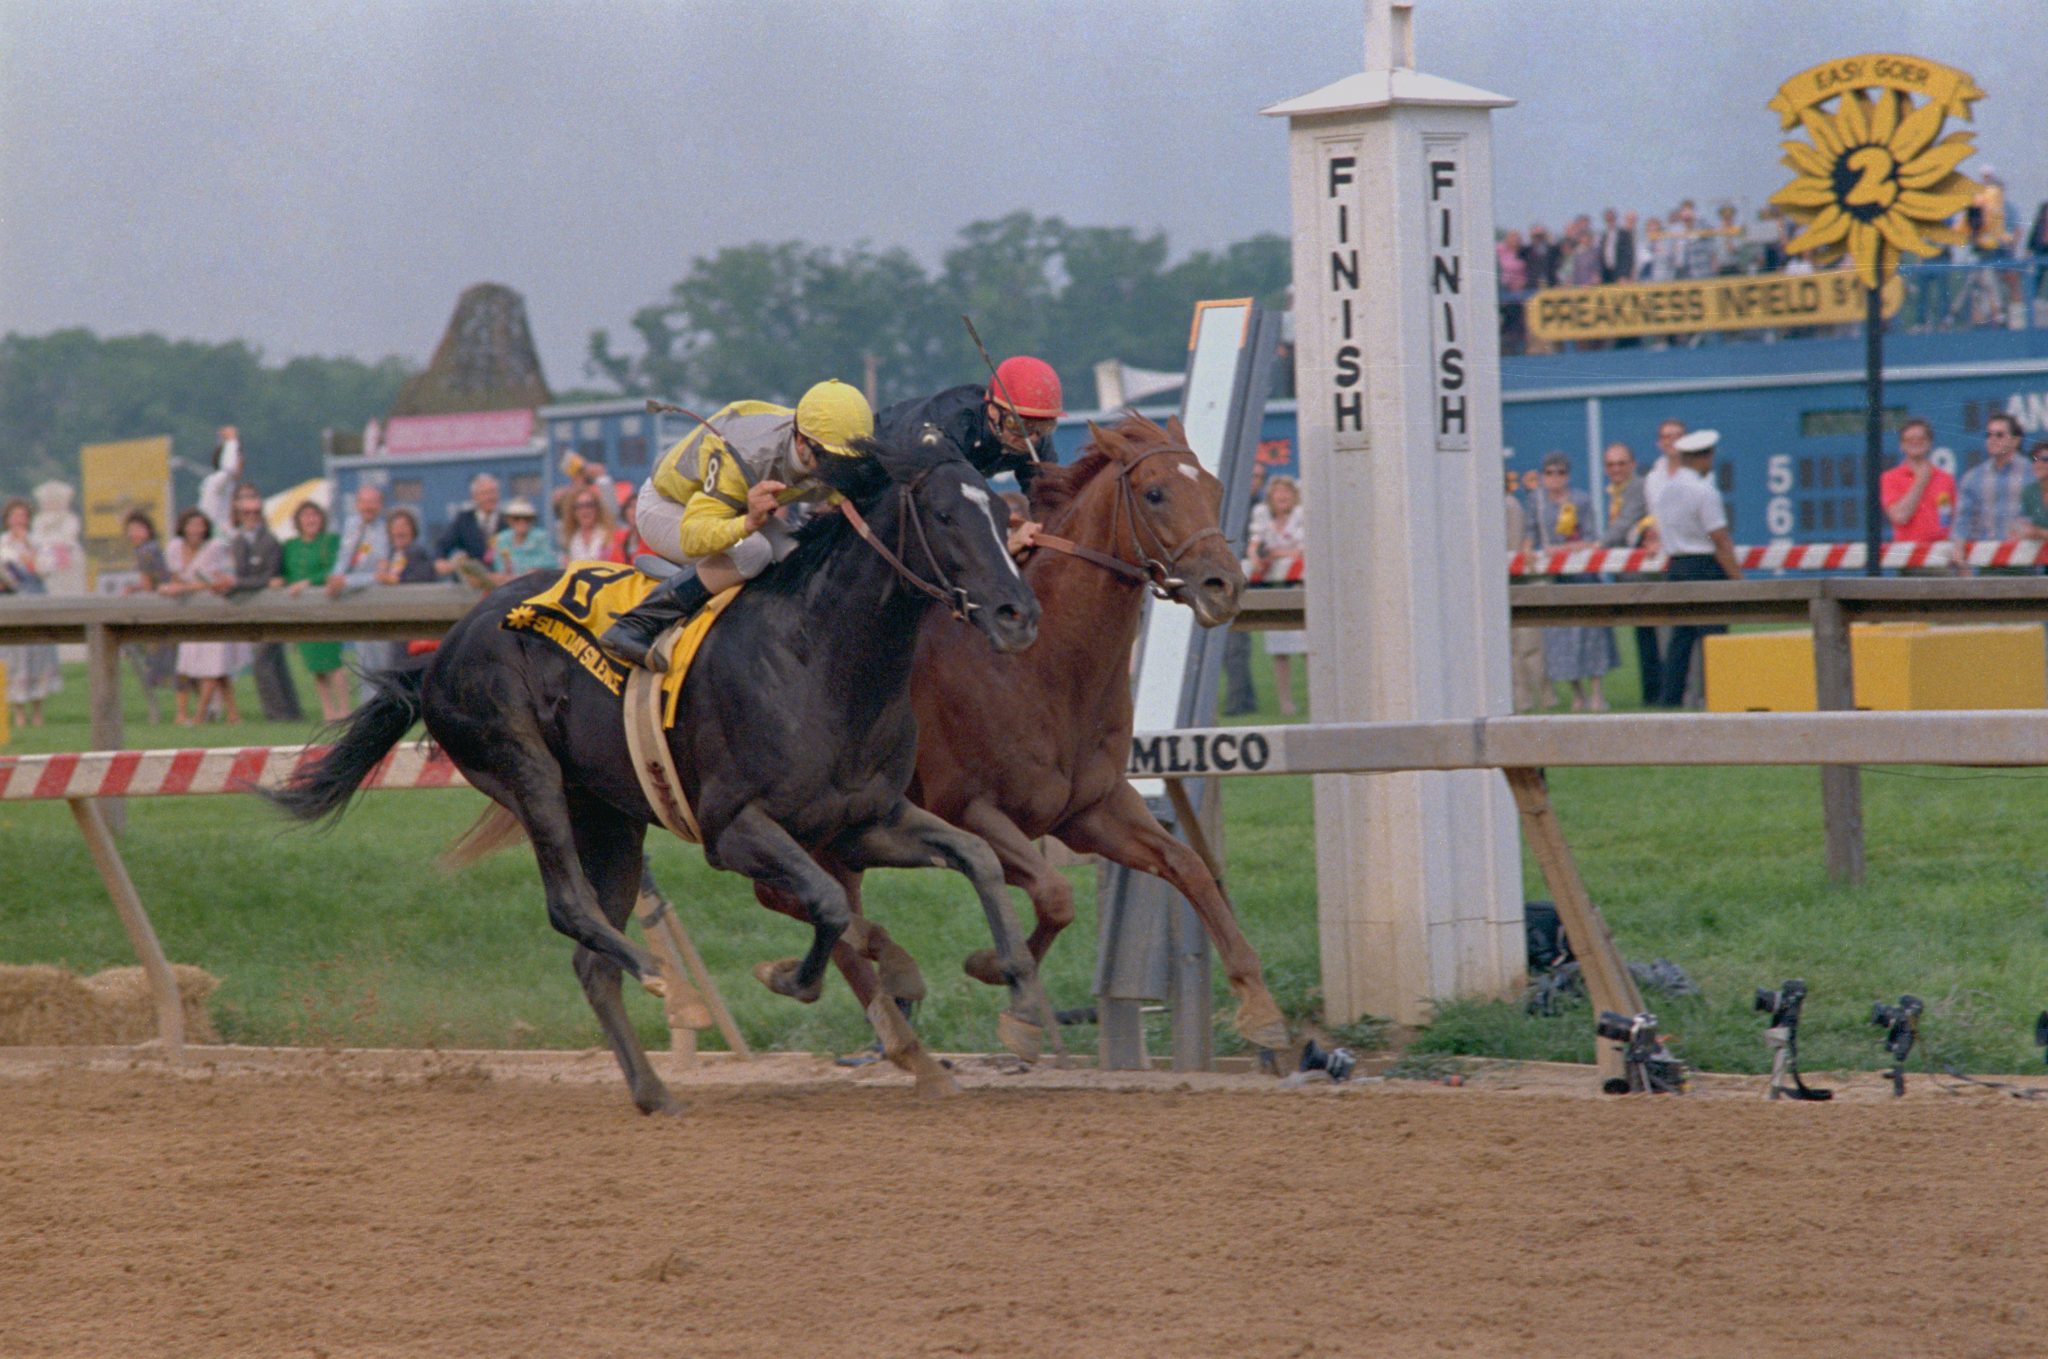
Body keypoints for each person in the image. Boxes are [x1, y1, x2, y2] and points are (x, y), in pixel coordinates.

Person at [599, 379, 876, 671]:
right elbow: (694, 534)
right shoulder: (747, 453)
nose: (834, 469)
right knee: (753, 551)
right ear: (800, 440)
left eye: (844, 461)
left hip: (737, 508)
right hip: (669, 508)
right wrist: (748, 523)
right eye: (827, 457)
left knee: (800, 553)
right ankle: (637, 623)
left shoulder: (821, 440)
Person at [872, 355, 1065, 495]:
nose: (1031, 438)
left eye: (1044, 427)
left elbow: (1050, 501)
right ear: (993, 411)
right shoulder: (952, 427)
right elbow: (953, 502)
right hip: (880, 454)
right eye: (1018, 425)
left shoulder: (1036, 440)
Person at [1655, 430, 1744, 708]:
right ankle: (1716, 696)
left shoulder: (1667, 489)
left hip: (1677, 565)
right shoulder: (1704, 491)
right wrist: (1739, 580)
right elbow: (1719, 538)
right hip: (1703, 566)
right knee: (1713, 636)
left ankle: (1671, 698)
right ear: (1705, 456)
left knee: (1680, 639)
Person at [1525, 452, 1617, 712]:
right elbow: (1530, 533)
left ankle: (1598, 693)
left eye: (1561, 473)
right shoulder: (1537, 502)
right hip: (1556, 580)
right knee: (1562, 638)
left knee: (1591, 634)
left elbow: (1591, 537)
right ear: (1543, 476)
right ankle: (1578, 694)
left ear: (1568, 475)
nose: (1555, 478)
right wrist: (1531, 549)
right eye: (1550, 473)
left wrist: (1567, 550)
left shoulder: (1581, 500)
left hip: (1583, 576)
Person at [224, 481, 302, 722]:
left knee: (264, 663)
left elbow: (267, 577)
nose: (250, 517)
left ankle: (278, 713)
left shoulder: (269, 541)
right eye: (245, 512)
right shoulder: (238, 540)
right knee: (273, 662)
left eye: (255, 512)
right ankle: (289, 712)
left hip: (269, 608)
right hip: (252, 607)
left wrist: (236, 584)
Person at [160, 508, 244, 725]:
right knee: (187, 664)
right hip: (189, 612)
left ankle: (199, 716)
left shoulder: (215, 547)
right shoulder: (175, 547)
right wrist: (174, 587)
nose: (196, 529)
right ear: (184, 526)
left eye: (200, 525)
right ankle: (228, 714)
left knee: (214, 665)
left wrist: (182, 589)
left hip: (213, 609)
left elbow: (217, 581)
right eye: (192, 524)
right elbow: (177, 578)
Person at [1599, 442, 1660, 704]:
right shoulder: (1616, 492)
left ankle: (1661, 695)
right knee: (1644, 637)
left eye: (1621, 463)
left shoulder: (1637, 487)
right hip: (1632, 576)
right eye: (1611, 464)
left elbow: (1624, 525)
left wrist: (1597, 546)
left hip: (1648, 577)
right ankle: (1654, 694)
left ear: (1632, 465)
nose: (1616, 469)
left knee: (1655, 638)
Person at [280, 500, 349, 721]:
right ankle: (328, 711)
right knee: (314, 663)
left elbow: (334, 569)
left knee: (332, 661)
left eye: (315, 515)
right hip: (302, 612)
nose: (311, 520)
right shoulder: (290, 545)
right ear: (298, 521)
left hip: (326, 607)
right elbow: (286, 572)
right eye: (306, 516)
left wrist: (308, 582)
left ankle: (345, 709)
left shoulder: (330, 541)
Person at [1244, 476, 1307, 717]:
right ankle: (1285, 703)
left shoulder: (1301, 514)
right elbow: (1255, 542)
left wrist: (1276, 553)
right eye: (1278, 495)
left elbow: (1303, 548)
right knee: (1279, 647)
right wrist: (1255, 556)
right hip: (1274, 584)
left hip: (1300, 585)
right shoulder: (1262, 514)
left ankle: (1318, 698)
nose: (1283, 499)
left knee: (1308, 646)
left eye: (1287, 494)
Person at [0, 497, 63, 727]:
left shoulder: (39, 542)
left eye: (23, 515)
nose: (18, 520)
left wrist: (29, 551)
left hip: (36, 601)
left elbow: (46, 569)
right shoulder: (2, 544)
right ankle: (17, 712)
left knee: (39, 654)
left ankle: (37, 711)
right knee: (14, 656)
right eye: (14, 516)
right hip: (11, 602)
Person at [120, 510, 178, 722]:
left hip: (160, 609)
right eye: (131, 530)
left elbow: (148, 585)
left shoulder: (145, 551)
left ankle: (160, 712)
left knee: (159, 664)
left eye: (138, 529)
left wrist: (133, 590)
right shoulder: (154, 548)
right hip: (168, 602)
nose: (134, 533)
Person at [1955, 413, 2029, 574]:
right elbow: (1962, 521)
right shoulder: (1972, 478)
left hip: (2025, 562)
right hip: (1986, 564)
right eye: (1989, 434)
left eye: (2000, 434)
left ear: (2016, 440)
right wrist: (1959, 556)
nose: (1992, 439)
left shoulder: (2032, 474)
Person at [1880, 417, 1958, 556]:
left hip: (1941, 554)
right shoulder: (1889, 478)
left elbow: (1952, 521)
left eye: (1920, 438)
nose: (1915, 442)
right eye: (1909, 439)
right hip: (1908, 556)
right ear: (1901, 445)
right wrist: (1921, 481)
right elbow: (1899, 516)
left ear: (1929, 443)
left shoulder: (1946, 479)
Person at [1505, 469, 1546, 713]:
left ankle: (1537, 699)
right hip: (1504, 582)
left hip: (1515, 582)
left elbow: (1514, 546)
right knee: (1513, 650)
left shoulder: (1511, 506)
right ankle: (1521, 700)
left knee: (1527, 648)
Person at [433, 473, 502, 577]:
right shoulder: (464, 521)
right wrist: (439, 561)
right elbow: (442, 545)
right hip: (472, 582)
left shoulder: (510, 520)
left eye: (492, 492)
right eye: (485, 493)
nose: (490, 497)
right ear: (474, 497)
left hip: (502, 582)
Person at [492, 498, 560, 581]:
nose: (522, 521)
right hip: (509, 583)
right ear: (509, 520)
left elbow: (550, 562)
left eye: (526, 518)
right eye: (516, 518)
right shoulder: (502, 538)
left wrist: (534, 570)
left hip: (536, 583)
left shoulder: (540, 537)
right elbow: (499, 566)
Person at [197, 426, 241, 538]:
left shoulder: (228, 486)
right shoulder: (215, 482)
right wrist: (232, 441)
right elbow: (228, 469)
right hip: (215, 539)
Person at [1641, 418, 1687, 524]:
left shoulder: (1700, 473)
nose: (1672, 441)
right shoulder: (1652, 479)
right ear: (1659, 443)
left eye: (1677, 436)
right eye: (1667, 437)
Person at [379, 509, 440, 585]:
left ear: (413, 530)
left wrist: (398, 581)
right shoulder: (388, 554)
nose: (399, 529)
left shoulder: (419, 553)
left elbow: (422, 577)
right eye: (395, 525)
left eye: (404, 525)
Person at [561, 484, 616, 562]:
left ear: (597, 509)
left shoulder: (609, 535)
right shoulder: (571, 539)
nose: (585, 511)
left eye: (589, 505)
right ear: (573, 511)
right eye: (579, 506)